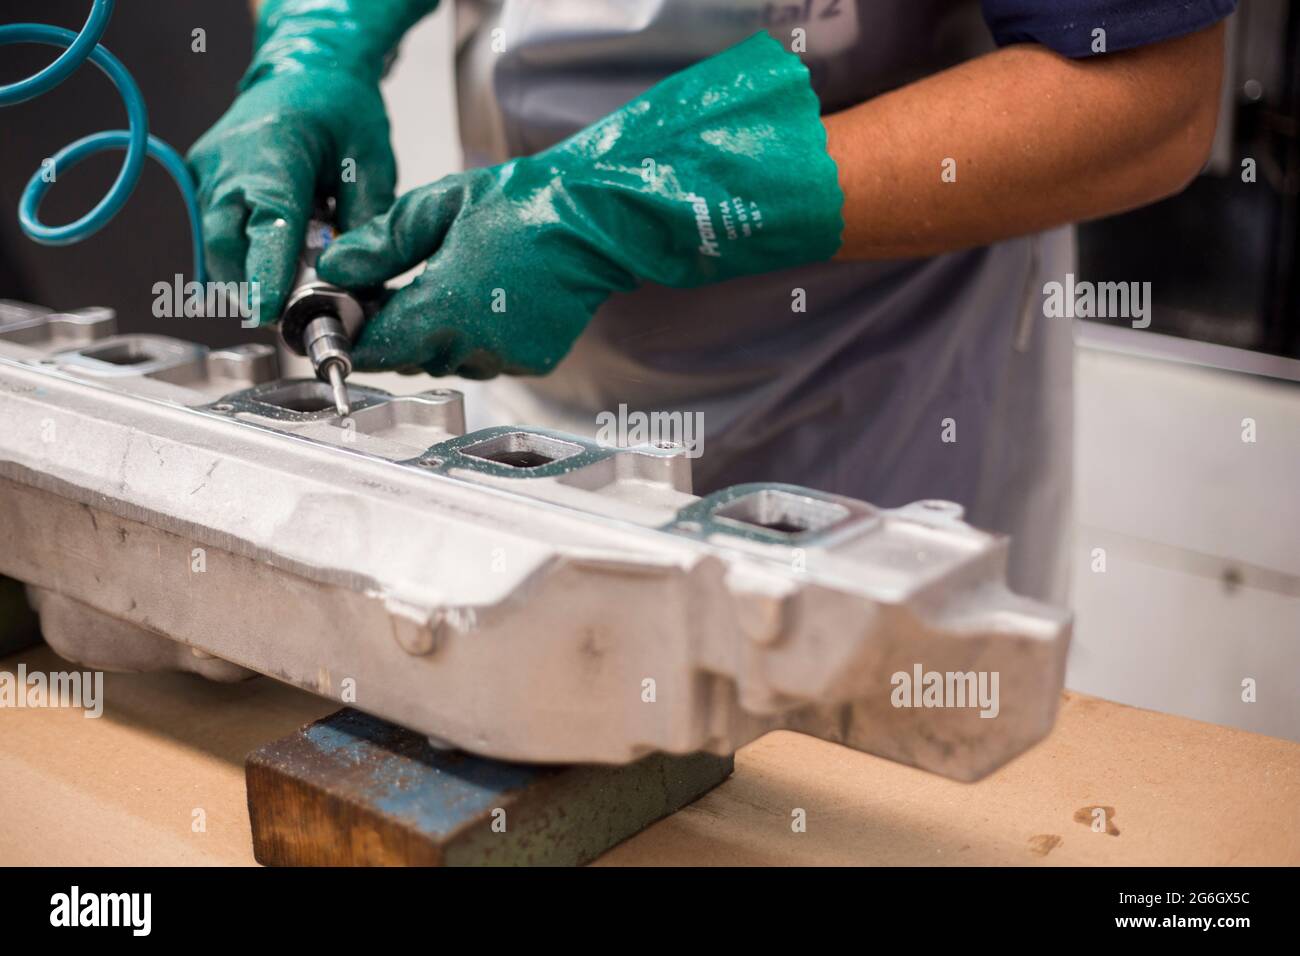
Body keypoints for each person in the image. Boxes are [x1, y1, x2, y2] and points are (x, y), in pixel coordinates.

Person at [188, 0, 1234, 603]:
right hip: (547, 414)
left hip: (884, 411)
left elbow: (1148, 92)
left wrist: (628, 201)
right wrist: (317, 41)